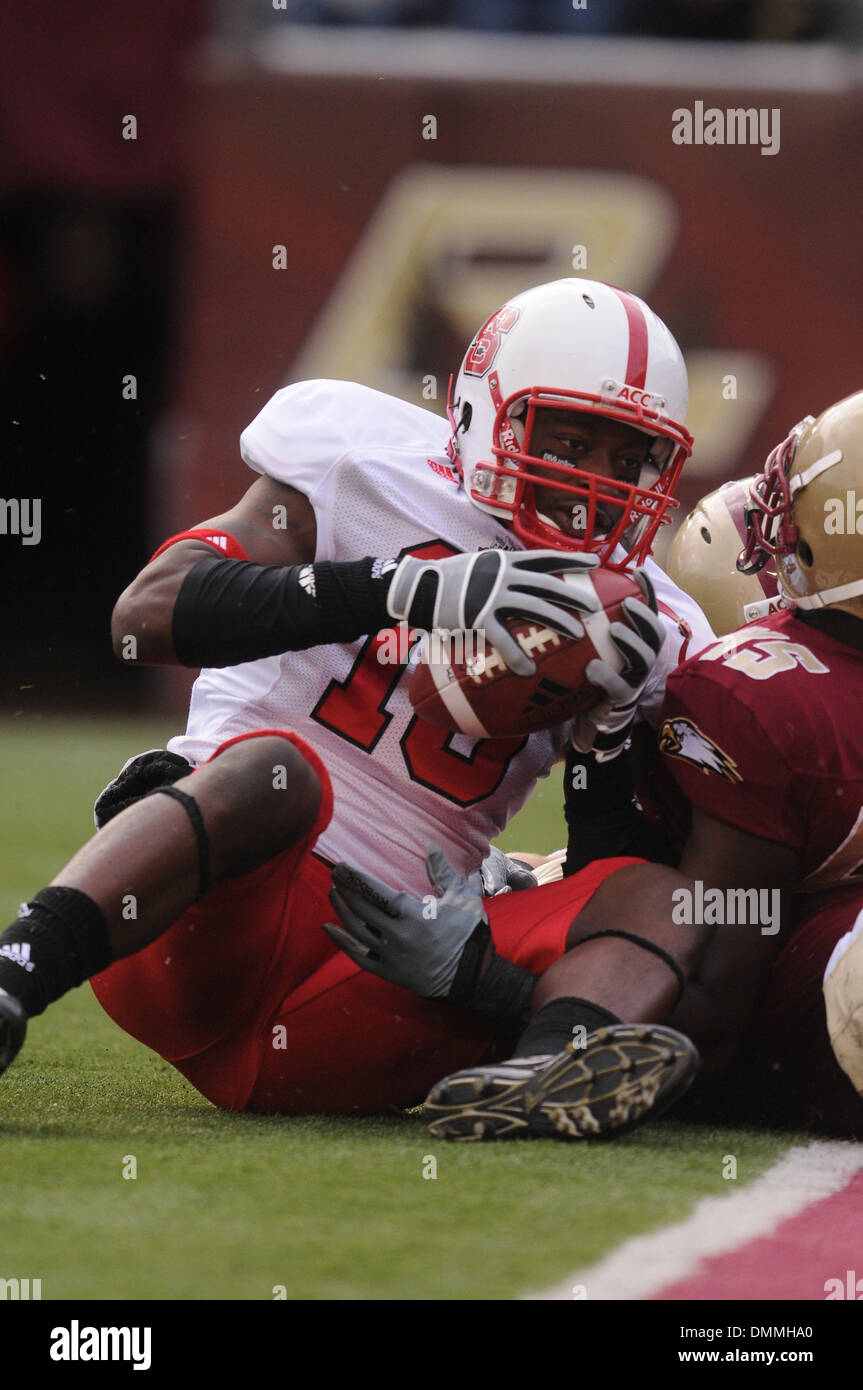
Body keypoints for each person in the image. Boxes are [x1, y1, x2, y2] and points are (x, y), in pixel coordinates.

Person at [0, 277, 714, 1135]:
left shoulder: (650, 621)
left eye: (629, 456)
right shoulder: (360, 464)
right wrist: (406, 585)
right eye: (569, 441)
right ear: (487, 413)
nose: (595, 485)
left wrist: (603, 740)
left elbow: (603, 877)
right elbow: (143, 620)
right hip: (195, 929)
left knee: (659, 895)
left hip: (382, 988)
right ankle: (16, 973)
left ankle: (548, 1070)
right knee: (276, 771)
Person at [339, 393, 863, 1139]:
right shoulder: (765, 700)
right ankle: (550, 1005)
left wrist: (491, 979)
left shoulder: (763, 698)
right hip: (752, 977)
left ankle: (544, 1005)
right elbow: (701, 963)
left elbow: (709, 995)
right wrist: (600, 753)